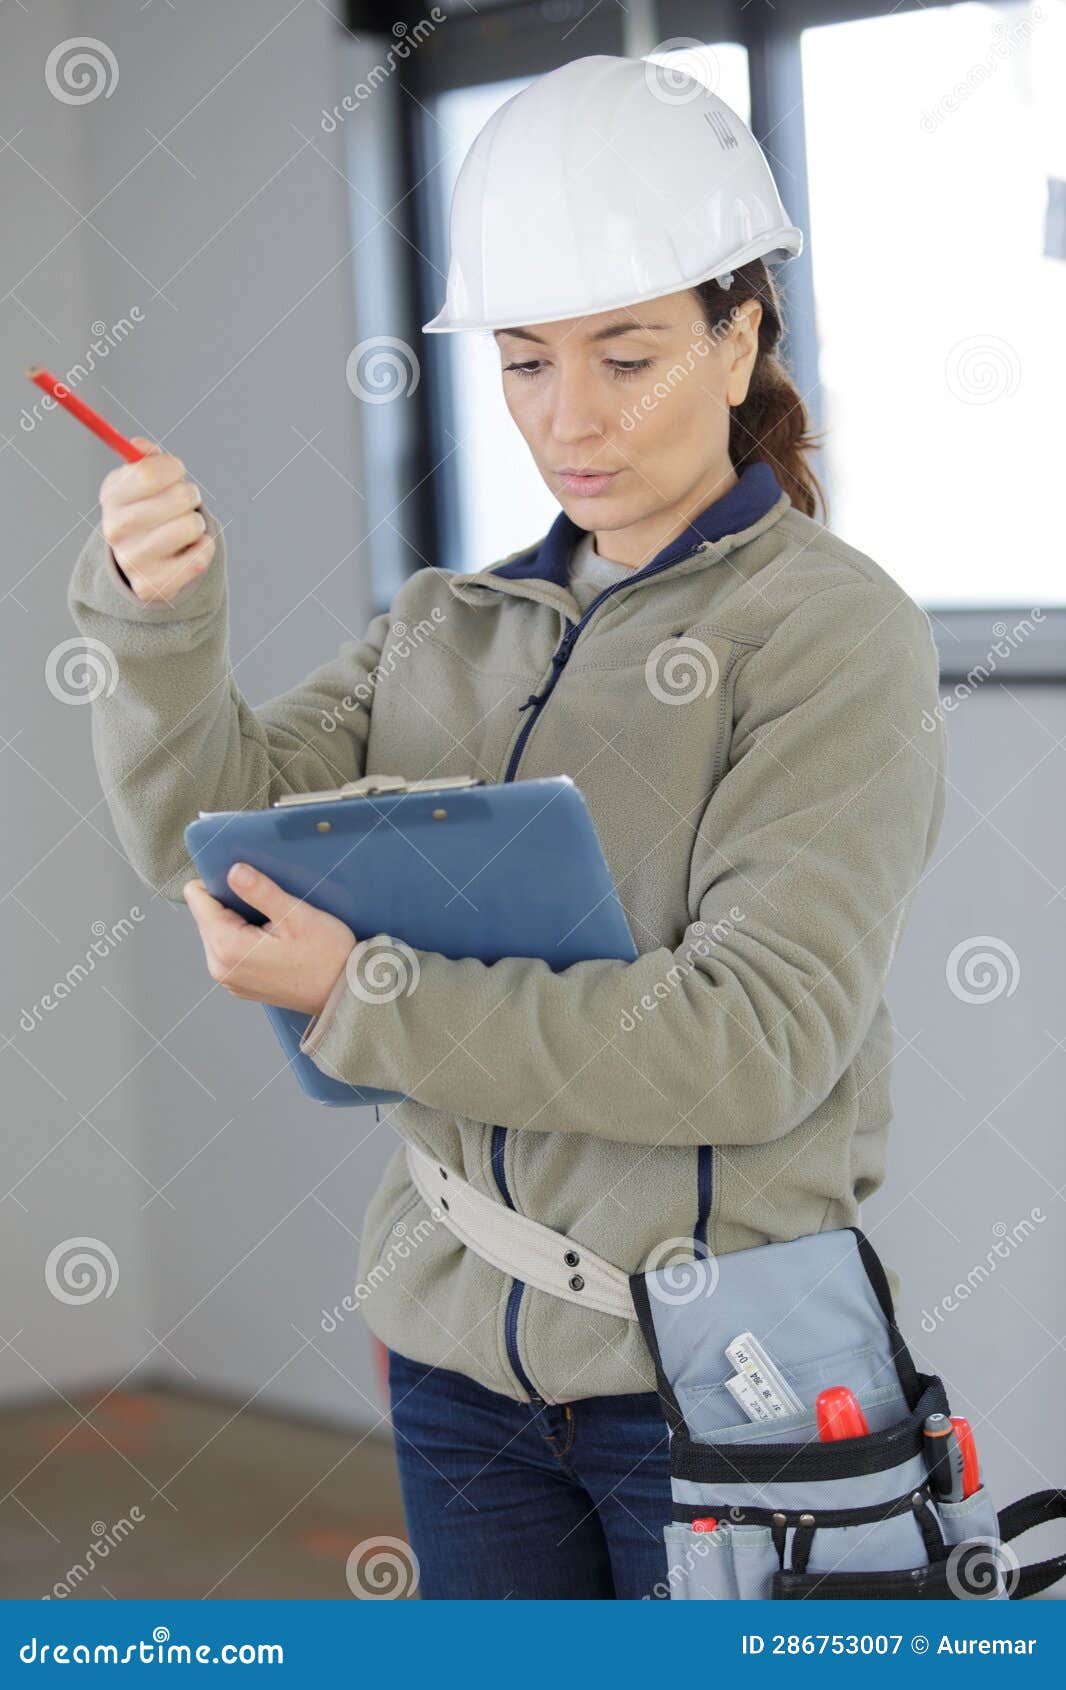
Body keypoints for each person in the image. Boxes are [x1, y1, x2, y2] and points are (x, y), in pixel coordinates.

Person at [66, 54, 947, 1600]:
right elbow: (215, 837)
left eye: (627, 356)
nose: (568, 418)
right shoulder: (448, 625)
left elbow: (753, 1038)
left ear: (738, 341)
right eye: (527, 362)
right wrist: (159, 617)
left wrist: (366, 995)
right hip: (456, 1360)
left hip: (714, 1376)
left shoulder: (828, 633)